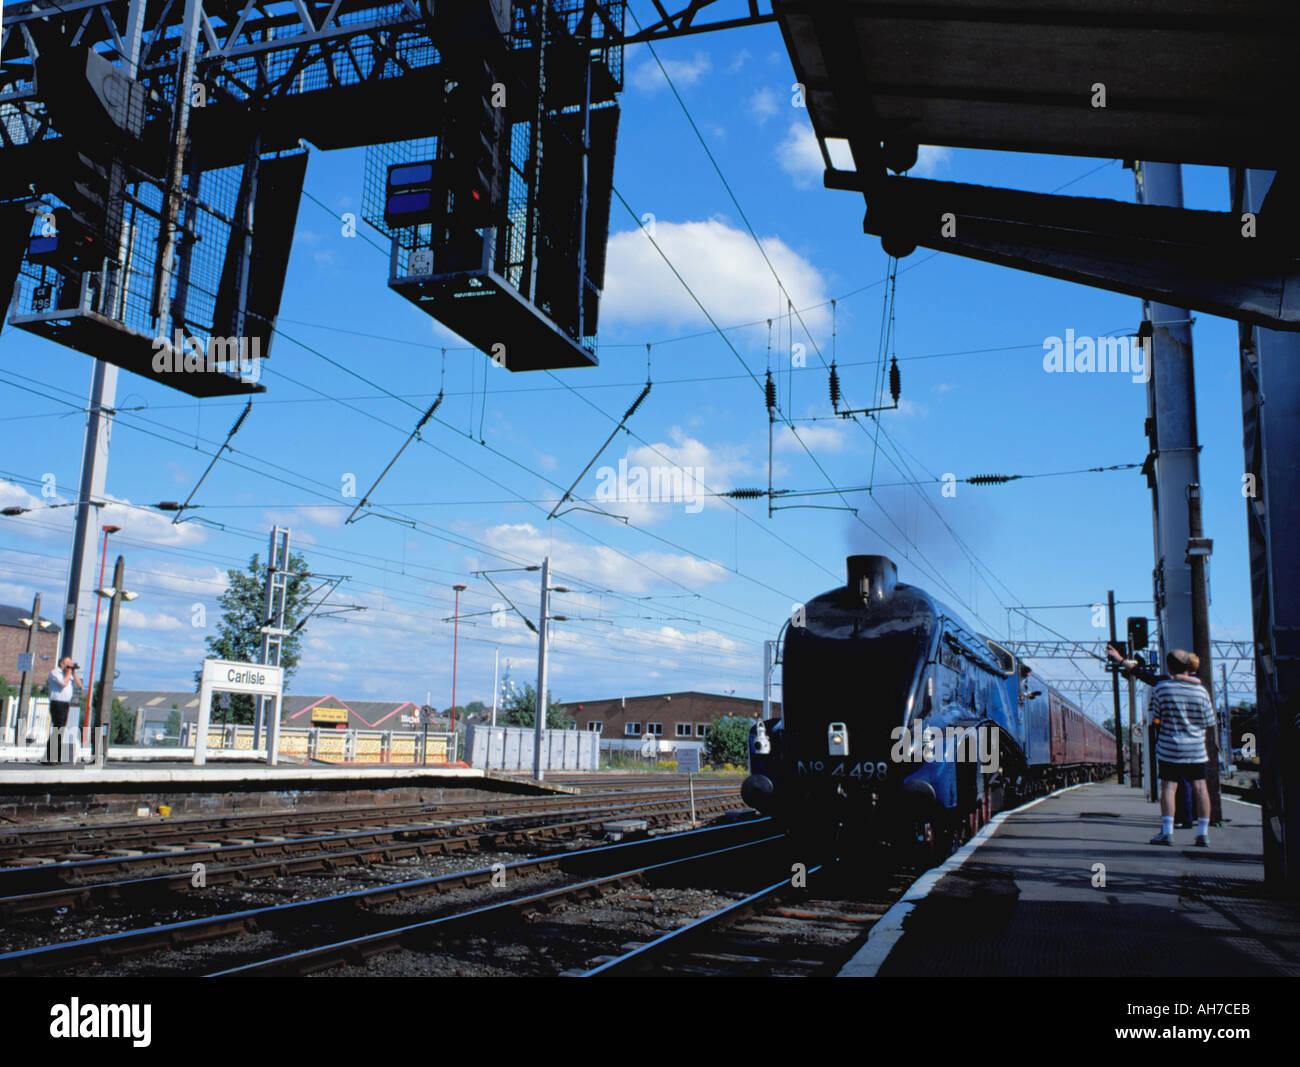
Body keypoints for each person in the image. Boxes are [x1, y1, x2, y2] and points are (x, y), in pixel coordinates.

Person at [1112, 648, 1216, 847]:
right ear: (1188, 666)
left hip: (1170, 747)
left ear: (1169, 667)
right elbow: (1209, 722)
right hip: (1196, 749)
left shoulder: (1162, 689)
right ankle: (1202, 833)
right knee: (1201, 788)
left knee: (1168, 787)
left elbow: (1156, 717)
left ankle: (1167, 832)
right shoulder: (1201, 691)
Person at [45, 656, 82, 765]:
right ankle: (50, 757)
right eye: (68, 663)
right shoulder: (55, 672)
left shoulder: (68, 674)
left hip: (65, 704)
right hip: (57, 703)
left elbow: (79, 685)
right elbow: (64, 683)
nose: (69, 665)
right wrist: (68, 671)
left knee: (61, 729)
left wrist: (73, 672)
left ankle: (55, 756)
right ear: (62, 663)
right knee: (57, 728)